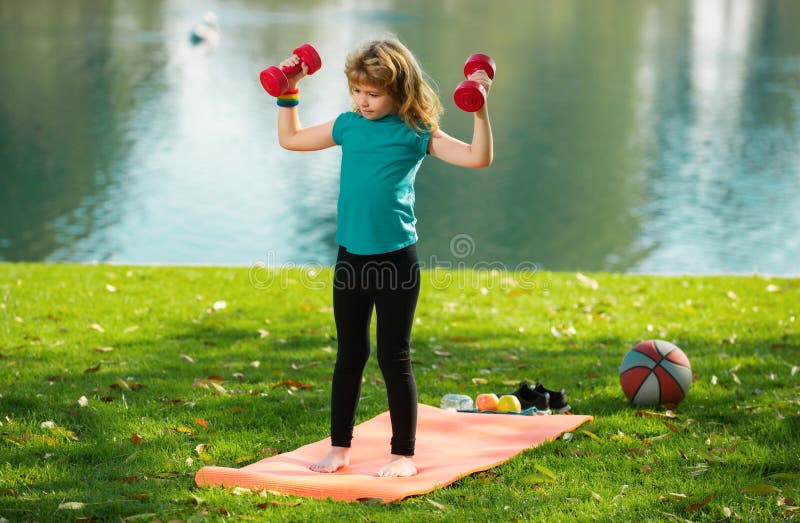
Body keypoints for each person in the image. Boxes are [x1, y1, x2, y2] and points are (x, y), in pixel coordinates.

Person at [275, 37, 493, 477]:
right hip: (350, 260)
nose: (363, 101)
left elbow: (477, 158)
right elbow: (291, 139)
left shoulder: (416, 132)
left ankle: (403, 455)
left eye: (373, 94)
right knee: (349, 356)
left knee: (395, 358)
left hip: (396, 263)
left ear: (399, 90)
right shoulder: (347, 125)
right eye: (357, 91)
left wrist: (479, 108)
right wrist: (288, 90)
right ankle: (339, 448)